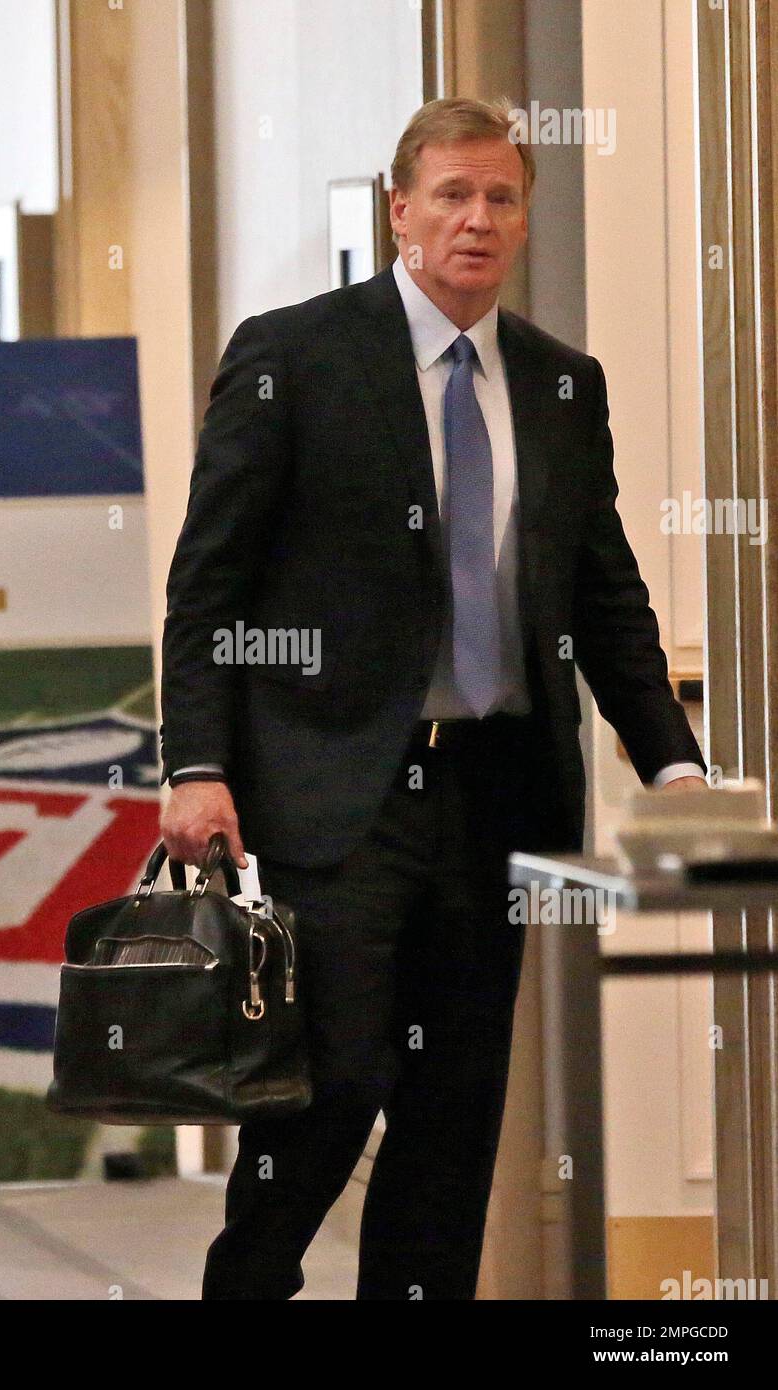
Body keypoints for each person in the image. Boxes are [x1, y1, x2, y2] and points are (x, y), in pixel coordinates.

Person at [158, 96, 708, 1300]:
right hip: (333, 787)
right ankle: (245, 1280)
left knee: (455, 1109)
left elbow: (601, 594)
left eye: (498, 198)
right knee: (334, 1075)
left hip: (494, 791)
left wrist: (672, 764)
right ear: (397, 209)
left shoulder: (561, 385)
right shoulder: (292, 357)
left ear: (521, 220)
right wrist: (193, 763)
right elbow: (207, 585)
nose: (474, 218)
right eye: (450, 195)